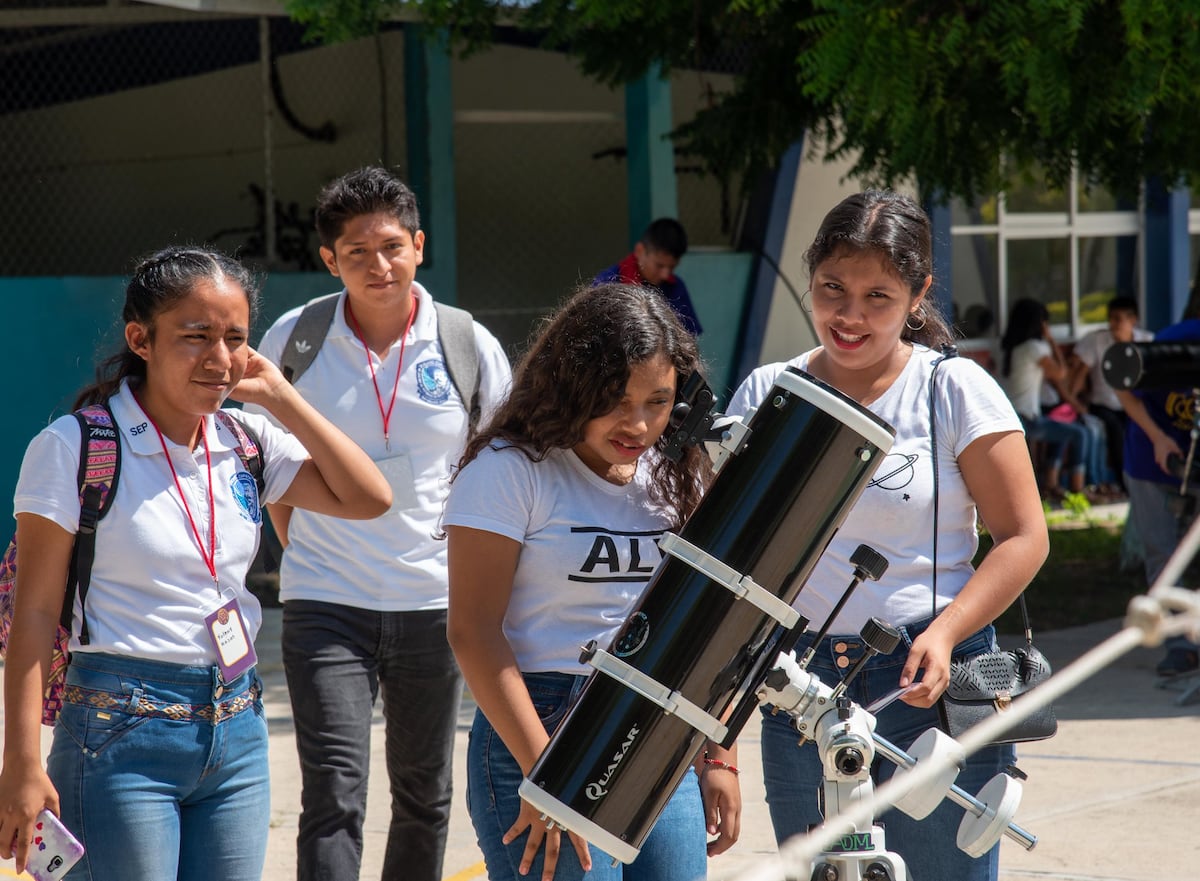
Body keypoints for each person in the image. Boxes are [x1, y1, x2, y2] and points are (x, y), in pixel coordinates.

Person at [0, 246, 392, 881]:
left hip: (237, 727)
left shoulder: (246, 440)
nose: (219, 358)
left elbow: (369, 496)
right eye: (196, 336)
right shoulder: (74, 447)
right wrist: (22, 762)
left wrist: (283, 399)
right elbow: (36, 615)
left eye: (235, 338)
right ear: (141, 339)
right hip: (116, 730)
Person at [726, 191, 1048, 881]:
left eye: (878, 295)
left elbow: (1024, 537)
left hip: (925, 677)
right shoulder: (765, 393)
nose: (849, 315)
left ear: (919, 292)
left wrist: (946, 632)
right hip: (798, 686)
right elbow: (730, 558)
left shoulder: (954, 389)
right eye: (832, 289)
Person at [246, 166, 511, 881]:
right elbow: (263, 457)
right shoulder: (294, 339)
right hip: (325, 602)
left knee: (425, 794)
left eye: (392, 246)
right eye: (356, 253)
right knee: (333, 792)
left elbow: (503, 467)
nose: (378, 265)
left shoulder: (466, 342)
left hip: (435, 604)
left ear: (419, 245)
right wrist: (297, 540)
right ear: (329, 261)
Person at [443, 283, 740, 880]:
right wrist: (547, 776)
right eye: (614, 399)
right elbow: (474, 633)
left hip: (660, 728)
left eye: (658, 402)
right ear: (570, 386)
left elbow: (708, 629)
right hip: (540, 723)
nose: (636, 422)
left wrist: (719, 756)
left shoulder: (677, 474)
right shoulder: (509, 470)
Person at [1114, 298, 1200, 677]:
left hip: (1193, 460)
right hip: (1152, 463)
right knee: (1163, 555)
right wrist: (1158, 437)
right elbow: (1121, 385)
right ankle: (1179, 647)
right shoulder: (1176, 343)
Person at [998, 297, 1099, 499]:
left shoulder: (1007, 348)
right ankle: (1078, 489)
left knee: (1061, 428)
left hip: (1010, 415)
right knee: (1079, 433)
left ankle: (1052, 483)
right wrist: (1052, 340)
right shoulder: (1035, 348)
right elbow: (1061, 373)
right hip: (1027, 418)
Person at [1069, 296, 1153, 493]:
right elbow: (1078, 373)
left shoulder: (1147, 341)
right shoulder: (1097, 341)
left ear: (1133, 320)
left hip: (1137, 404)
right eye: (1111, 318)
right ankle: (1123, 484)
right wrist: (1073, 402)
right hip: (1103, 404)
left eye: (1118, 319)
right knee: (1116, 432)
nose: (1113, 324)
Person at [594, 217, 703, 336]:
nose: (665, 274)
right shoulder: (606, 284)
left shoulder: (677, 288)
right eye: (659, 265)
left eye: (671, 267)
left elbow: (689, 339)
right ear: (639, 251)